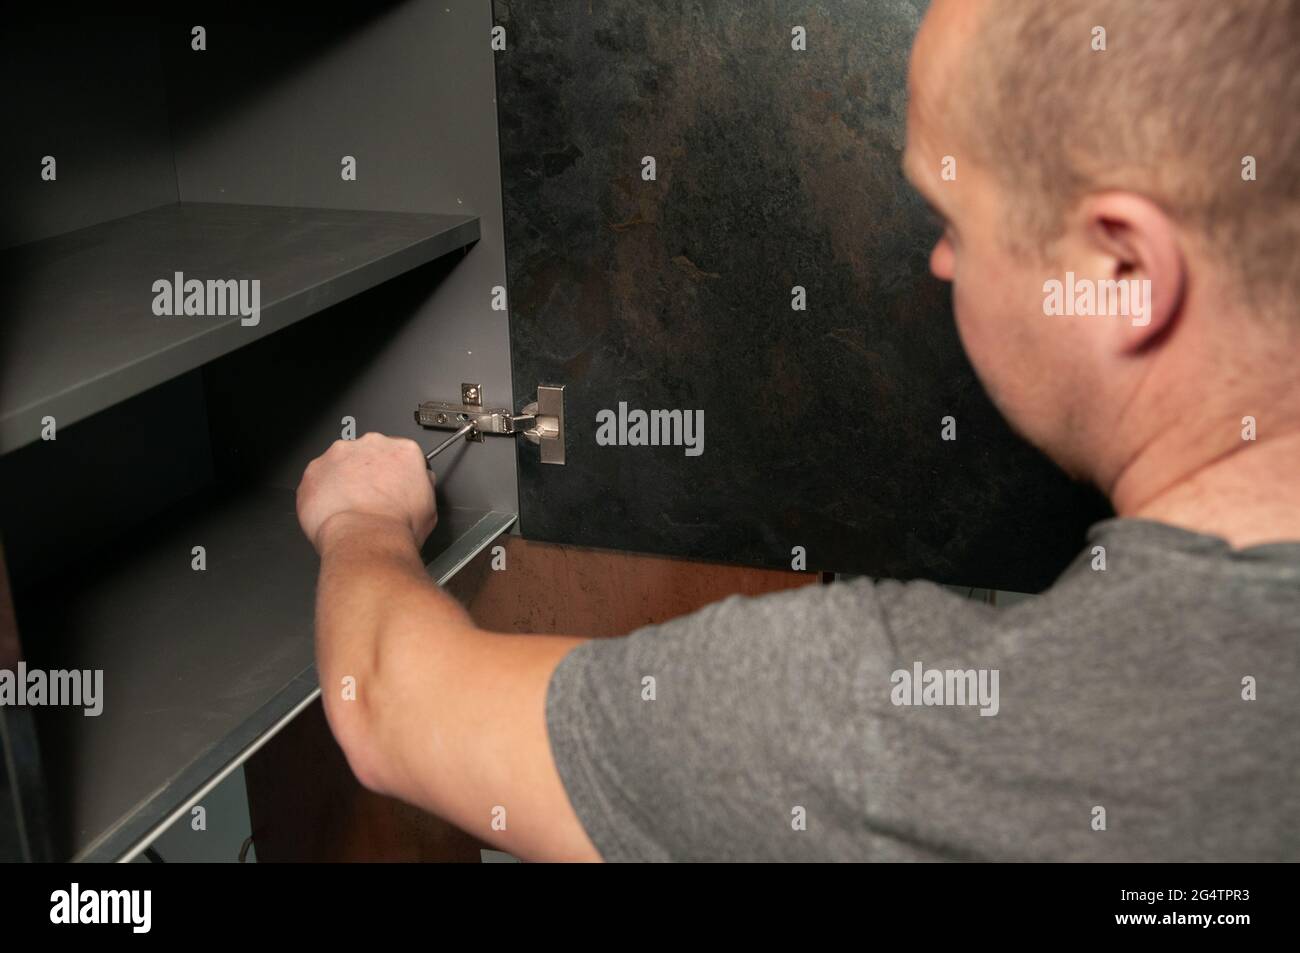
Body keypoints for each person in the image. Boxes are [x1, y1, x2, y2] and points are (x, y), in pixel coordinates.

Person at [294, 0, 1299, 861]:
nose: (941, 267)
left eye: (952, 222)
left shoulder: (912, 727)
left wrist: (362, 522)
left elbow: (386, 705)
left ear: (1122, 271)